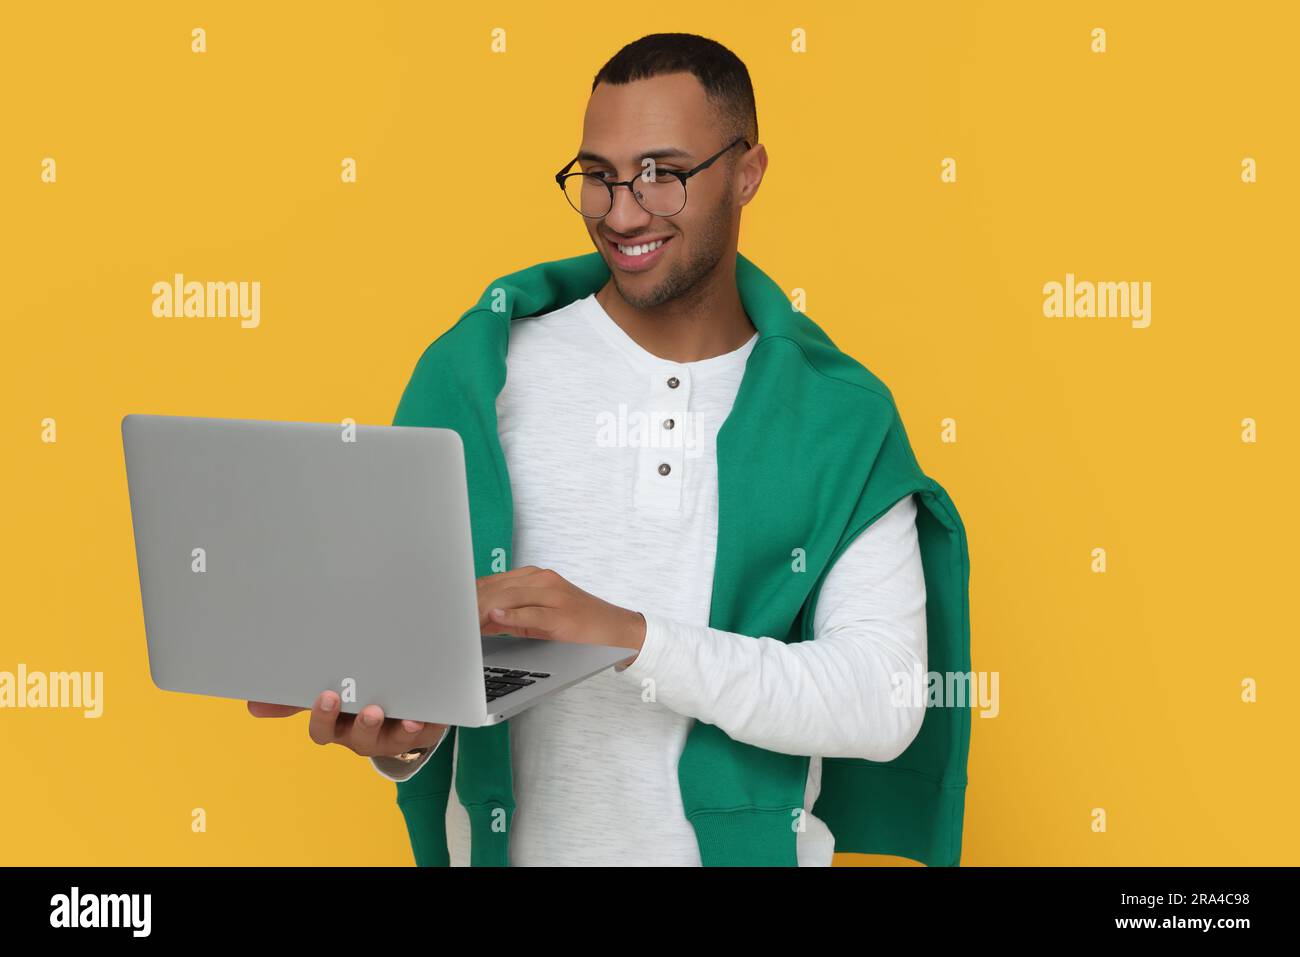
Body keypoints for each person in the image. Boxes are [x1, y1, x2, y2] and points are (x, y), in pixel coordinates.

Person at [250, 32, 967, 866]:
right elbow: (427, 679)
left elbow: (881, 699)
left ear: (748, 172)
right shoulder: (480, 377)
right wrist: (401, 737)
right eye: (598, 175)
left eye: (663, 173)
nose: (623, 212)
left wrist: (629, 637)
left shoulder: (841, 418)